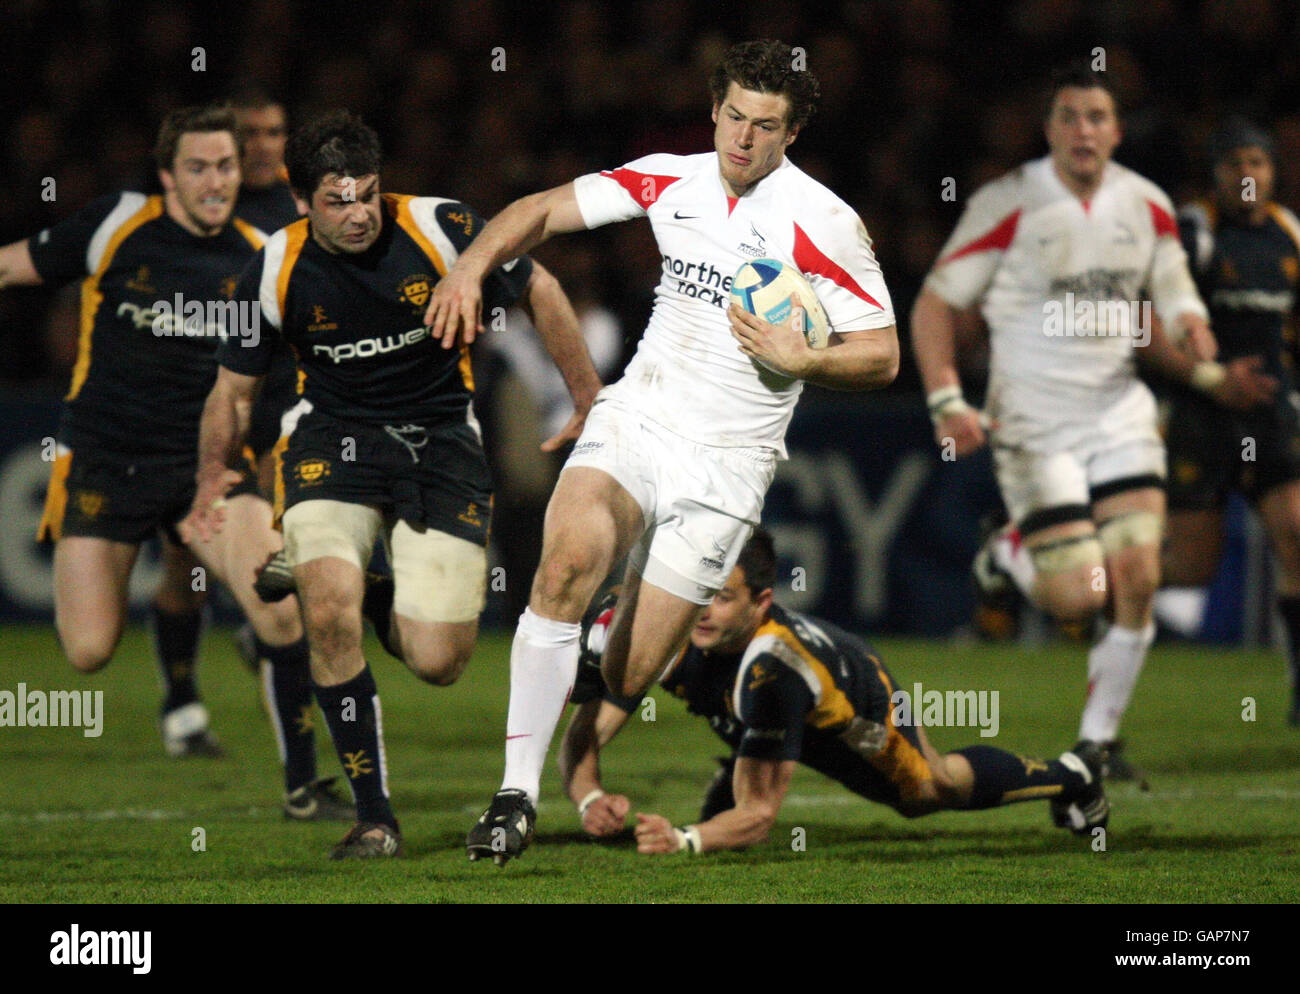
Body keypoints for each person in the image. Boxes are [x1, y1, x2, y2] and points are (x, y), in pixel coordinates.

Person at [426, 38, 899, 864]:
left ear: (792, 136)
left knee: (630, 678)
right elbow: (536, 209)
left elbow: (884, 355)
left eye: (766, 126)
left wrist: (808, 360)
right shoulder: (669, 179)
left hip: (729, 464)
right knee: (565, 559)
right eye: (735, 118)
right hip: (638, 417)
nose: (744, 140)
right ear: (714, 111)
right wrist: (471, 267)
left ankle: (597, 641)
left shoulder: (826, 225)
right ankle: (514, 795)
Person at [181, 110, 603, 859]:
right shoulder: (273, 267)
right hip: (328, 445)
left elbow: (540, 288)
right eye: (337, 201)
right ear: (302, 198)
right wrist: (214, 474)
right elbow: (234, 393)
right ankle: (375, 817)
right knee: (329, 614)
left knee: (440, 661)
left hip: (441, 444)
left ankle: (376, 593)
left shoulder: (442, 227)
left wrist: (586, 397)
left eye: (368, 194)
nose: (357, 213)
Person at [911, 63, 1275, 776]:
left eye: (1098, 116)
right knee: (1080, 594)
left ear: (1116, 129)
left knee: (1136, 572)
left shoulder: (1146, 204)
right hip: (1034, 425)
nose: (1084, 129)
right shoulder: (1007, 201)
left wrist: (1194, 326)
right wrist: (947, 399)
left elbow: (1169, 287)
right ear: (1049, 129)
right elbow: (933, 303)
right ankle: (1005, 552)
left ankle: (1093, 745)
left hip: (1118, 415)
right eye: (1069, 116)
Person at [0, 105, 345, 816]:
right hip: (105, 459)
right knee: (88, 650)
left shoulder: (261, 250)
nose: (216, 180)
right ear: (167, 176)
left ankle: (304, 789)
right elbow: (11, 265)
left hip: (209, 471)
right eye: (198, 167)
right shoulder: (116, 225)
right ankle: (181, 694)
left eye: (225, 165)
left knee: (281, 614)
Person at [560, 529, 1108, 854]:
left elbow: (759, 816)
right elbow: (587, 731)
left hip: (851, 702)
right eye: (701, 592)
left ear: (761, 603)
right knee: (749, 736)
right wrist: (589, 798)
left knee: (925, 791)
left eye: (723, 598)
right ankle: (746, 751)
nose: (703, 610)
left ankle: (1074, 775)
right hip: (760, 703)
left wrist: (685, 839)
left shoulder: (777, 667)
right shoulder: (666, 626)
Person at [1157, 118, 1300, 724]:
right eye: (1233, 163)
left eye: (1257, 163)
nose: (1247, 175)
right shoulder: (1193, 232)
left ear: (1273, 170)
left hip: (1271, 413)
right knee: (1190, 569)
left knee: (1296, 529)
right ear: (1216, 174)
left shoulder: (1290, 233)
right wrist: (1216, 379)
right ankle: (1073, 580)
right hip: (1201, 414)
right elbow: (1155, 321)